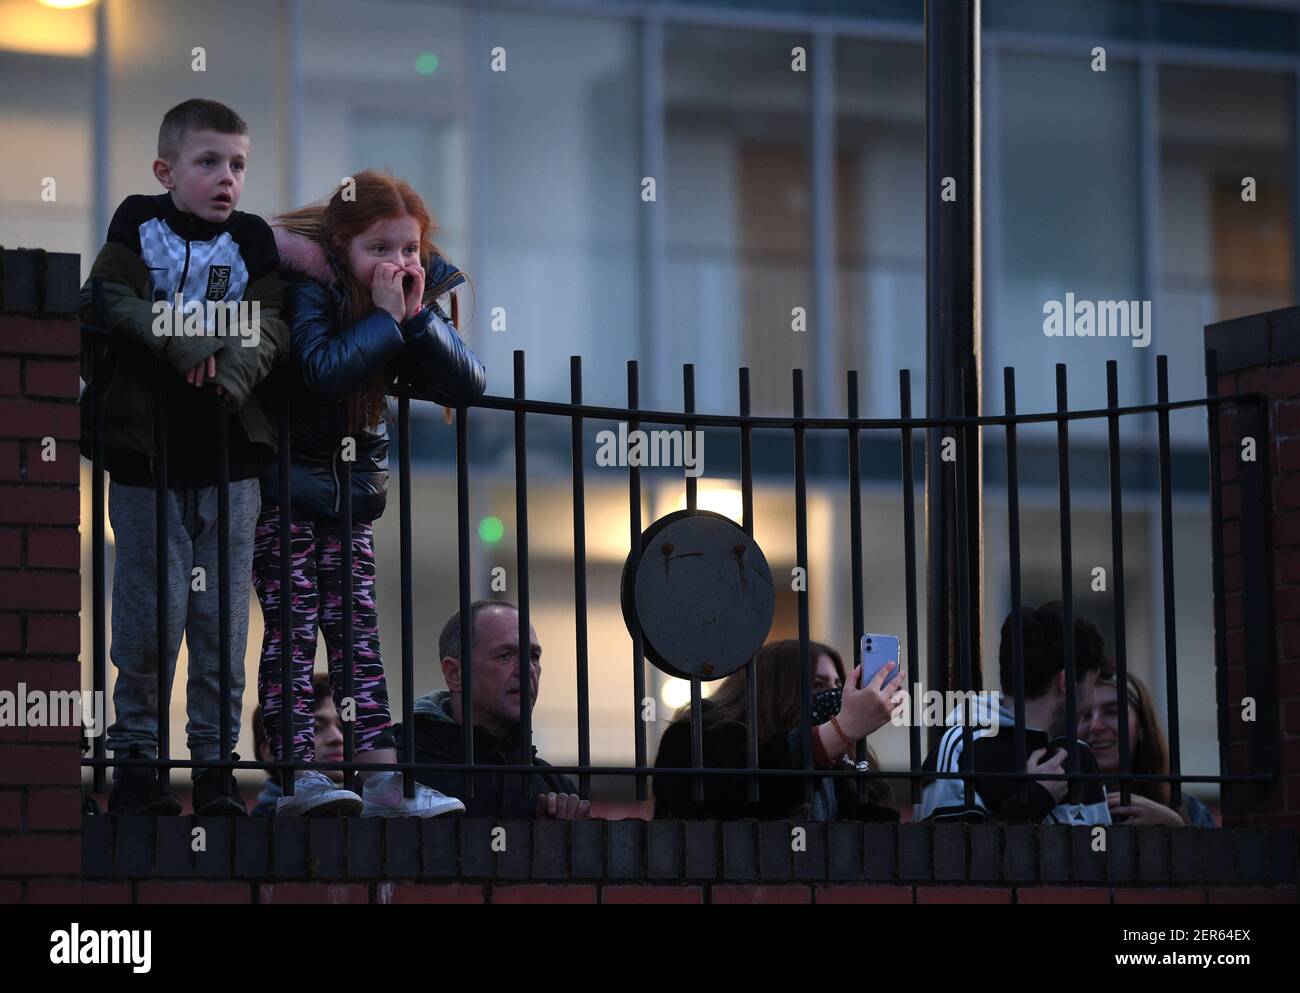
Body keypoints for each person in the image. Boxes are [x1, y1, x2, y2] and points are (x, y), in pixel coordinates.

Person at [253, 170, 486, 817]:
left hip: (351, 502)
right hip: (287, 494)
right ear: (341, 246)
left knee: (358, 638)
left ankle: (384, 780)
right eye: (380, 248)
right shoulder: (309, 291)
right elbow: (322, 371)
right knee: (294, 632)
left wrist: (411, 319)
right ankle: (296, 774)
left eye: (409, 249)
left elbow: (469, 383)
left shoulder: (401, 306)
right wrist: (384, 320)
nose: (399, 262)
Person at [79, 99, 289, 817]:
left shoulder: (256, 240)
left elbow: (272, 325)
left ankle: (214, 769)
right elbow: (106, 300)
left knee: (221, 623)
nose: (226, 178)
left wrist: (229, 369)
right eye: (208, 163)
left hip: (232, 463)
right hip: (146, 458)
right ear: (166, 170)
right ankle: (137, 764)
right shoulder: (138, 223)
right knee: (147, 616)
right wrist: (183, 339)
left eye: (237, 165)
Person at [652, 638, 903, 821]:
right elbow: (736, 793)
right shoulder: (695, 738)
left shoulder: (846, 765)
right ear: (772, 693)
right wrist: (837, 732)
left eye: (838, 684)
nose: (834, 695)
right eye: (817, 684)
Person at [393, 599, 590, 820]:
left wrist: (559, 839)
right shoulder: (393, 770)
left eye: (534, 656)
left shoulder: (556, 791)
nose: (528, 670)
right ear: (455, 674)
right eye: (505, 656)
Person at [920, 601, 1112, 824]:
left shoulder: (1081, 756)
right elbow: (941, 853)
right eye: (1092, 684)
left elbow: (1100, 854)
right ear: (1066, 682)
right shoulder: (962, 748)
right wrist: (1030, 803)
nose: (1092, 699)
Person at [1079, 671, 1216, 826]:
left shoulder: (1191, 810)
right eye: (1084, 714)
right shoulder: (1055, 807)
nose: (1095, 726)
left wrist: (1176, 830)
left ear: (1142, 726)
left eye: (1112, 712)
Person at [250, 674, 344, 815]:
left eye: (342, 728)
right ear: (270, 750)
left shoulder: (365, 816)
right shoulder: (254, 830)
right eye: (315, 728)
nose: (338, 738)